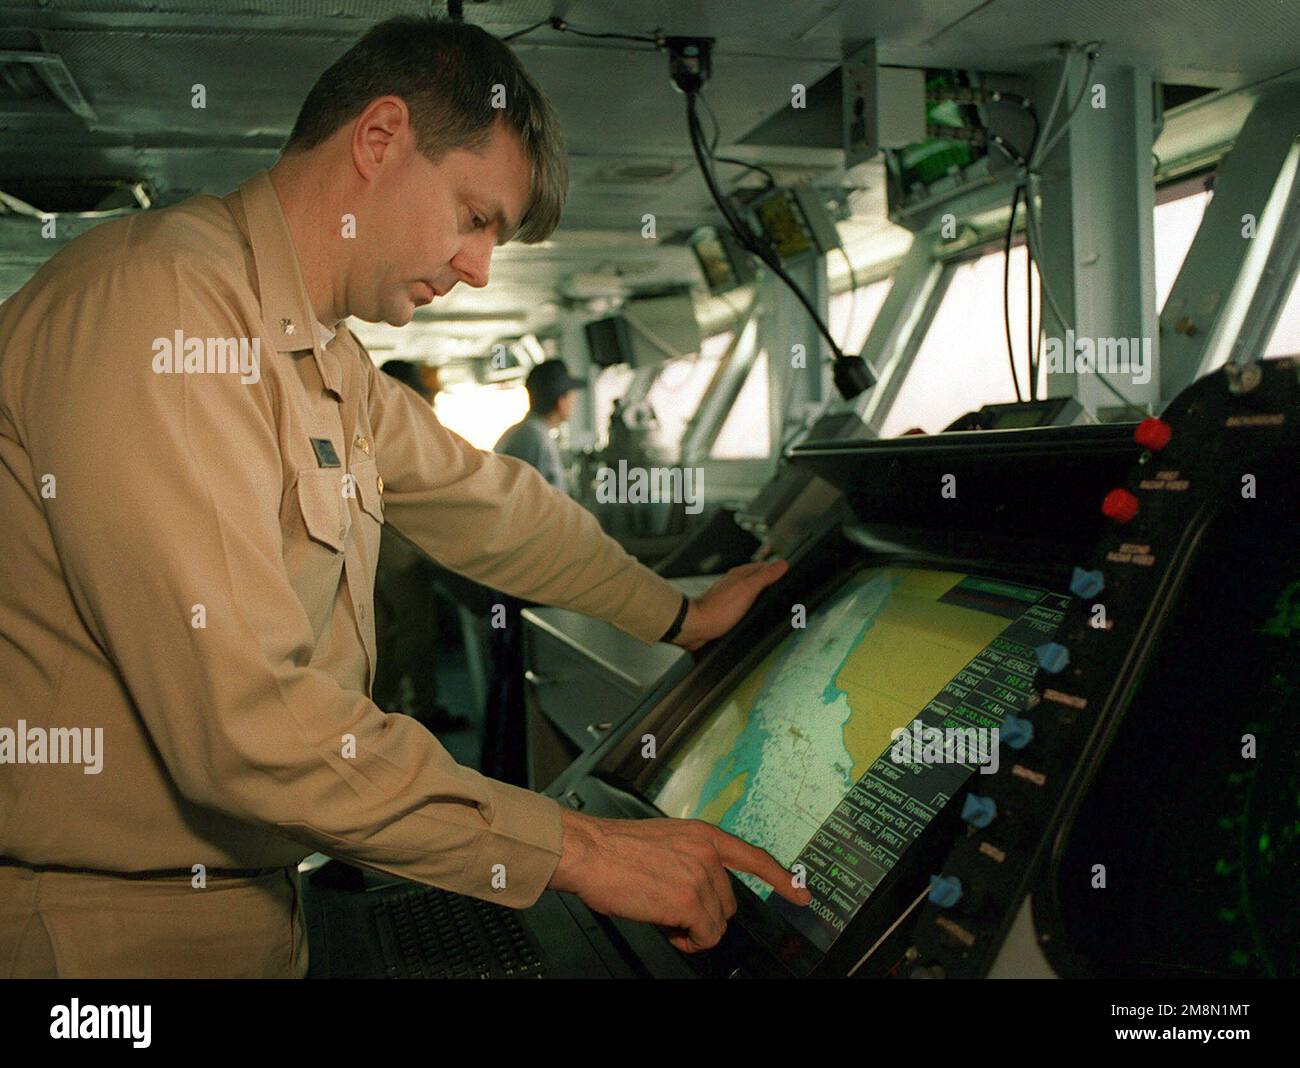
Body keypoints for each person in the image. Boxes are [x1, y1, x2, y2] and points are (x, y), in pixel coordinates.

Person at [0, 15, 802, 978]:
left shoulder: (324, 357)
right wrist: (579, 852)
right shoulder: (163, 306)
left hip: (243, 895)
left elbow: (493, 505)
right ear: (379, 141)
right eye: (474, 217)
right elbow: (247, 728)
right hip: (104, 932)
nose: (478, 269)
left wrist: (682, 614)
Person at [482, 359, 584, 783]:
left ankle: (500, 766)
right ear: (562, 399)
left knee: (507, 675)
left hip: (505, 571)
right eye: (572, 395)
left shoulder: (518, 433)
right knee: (517, 677)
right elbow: (554, 515)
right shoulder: (537, 440)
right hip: (520, 577)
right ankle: (511, 773)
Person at [371, 359, 470, 734]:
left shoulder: (371, 419)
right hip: (398, 546)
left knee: (382, 632)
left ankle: (385, 711)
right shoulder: (400, 424)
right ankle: (418, 711)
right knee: (415, 630)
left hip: (377, 542)